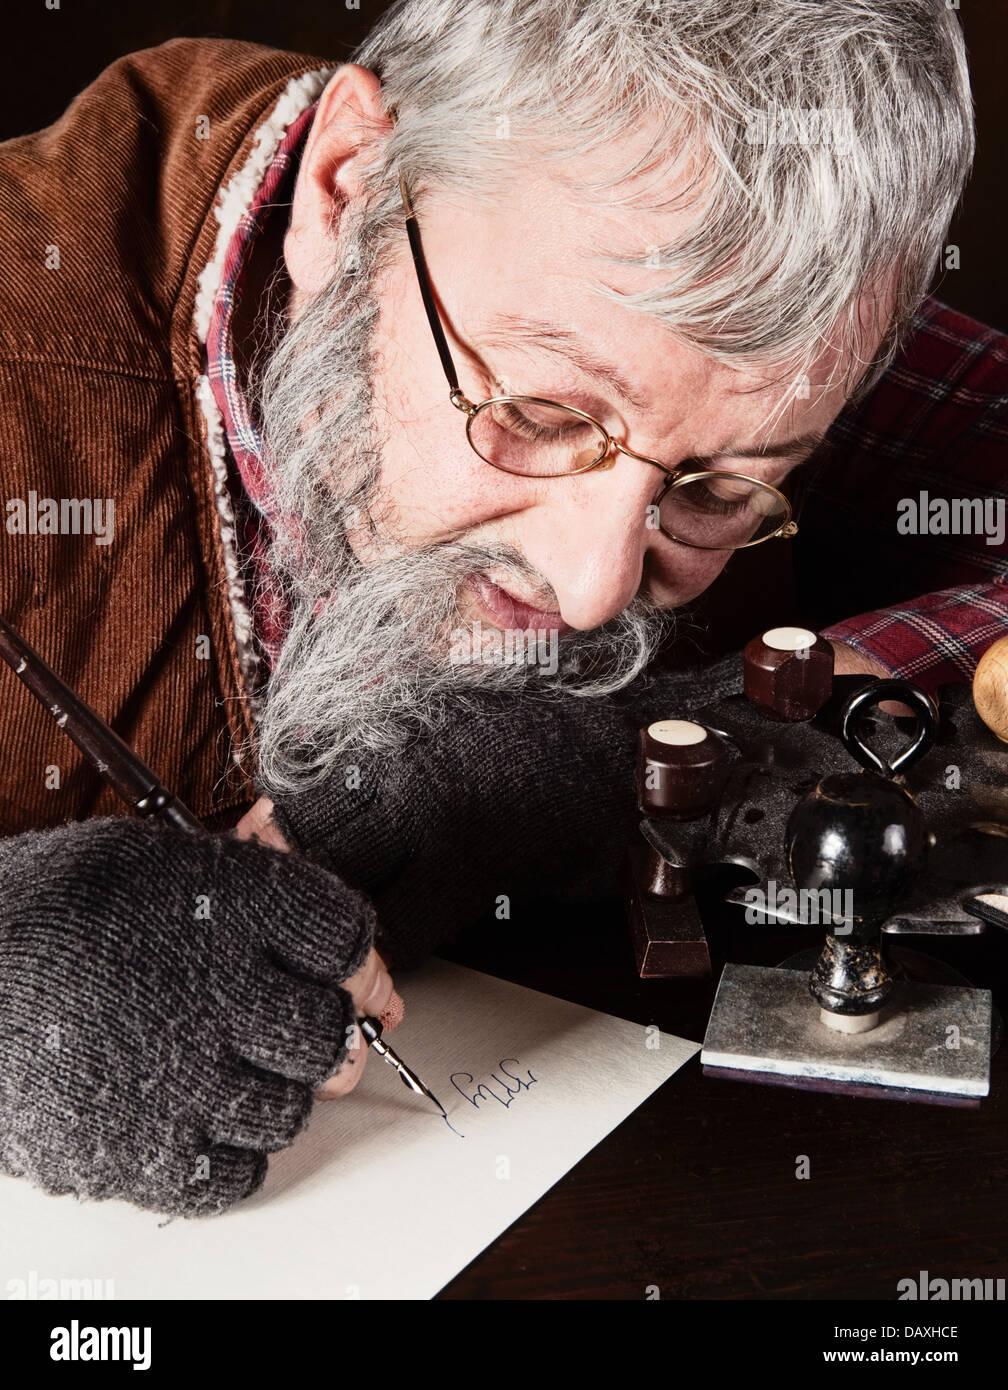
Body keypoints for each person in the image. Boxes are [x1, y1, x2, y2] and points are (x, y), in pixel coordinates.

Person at [0, 0, 1004, 1217]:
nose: (593, 591)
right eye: (540, 417)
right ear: (348, 184)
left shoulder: (722, 298)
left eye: (722, 490)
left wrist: (656, 741)